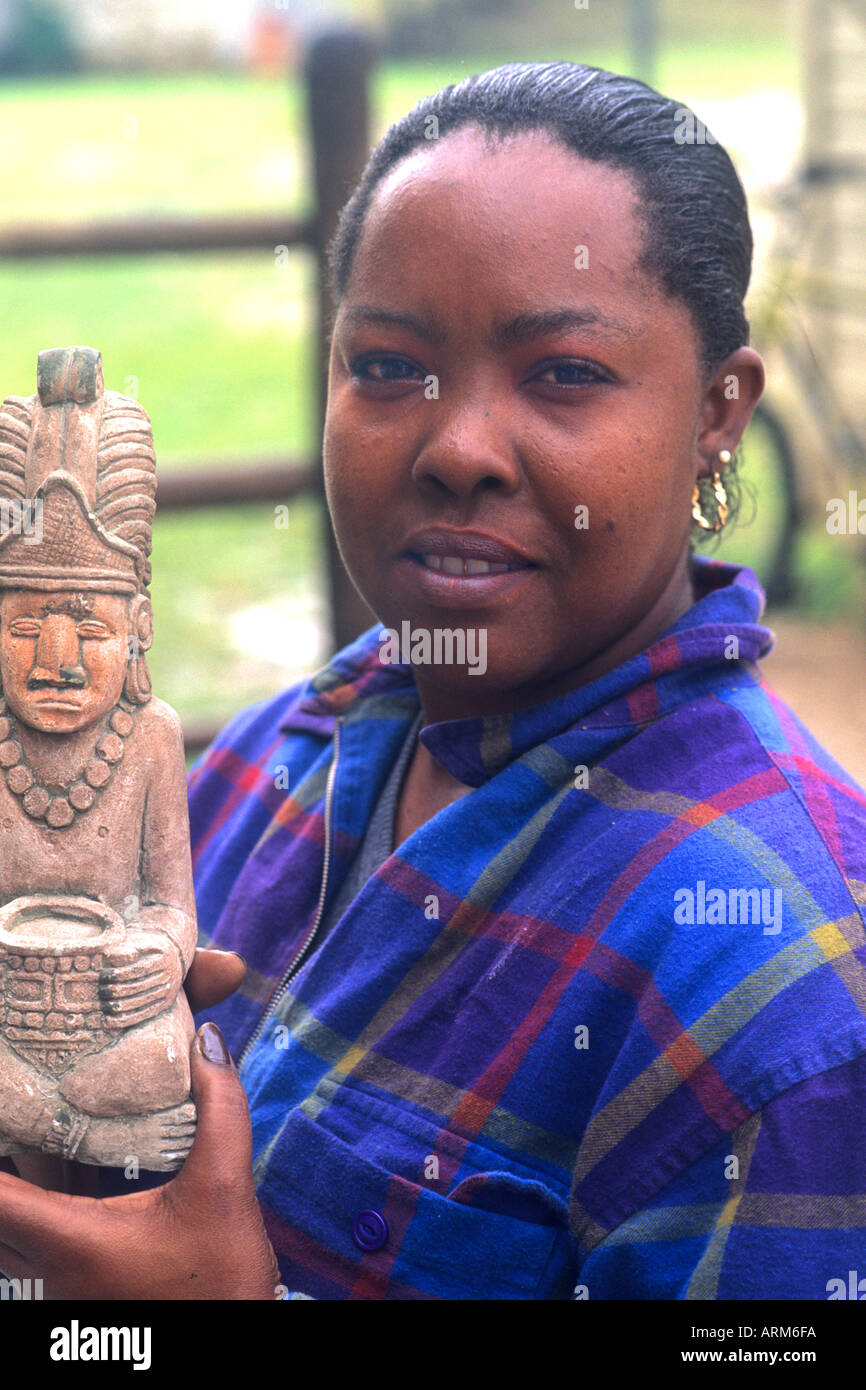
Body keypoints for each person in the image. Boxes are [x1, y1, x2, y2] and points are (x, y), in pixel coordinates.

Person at [2, 60, 866, 1301]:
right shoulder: (274, 757)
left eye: (563, 371)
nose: (455, 447)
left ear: (716, 415)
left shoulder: (784, 997)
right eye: (388, 365)